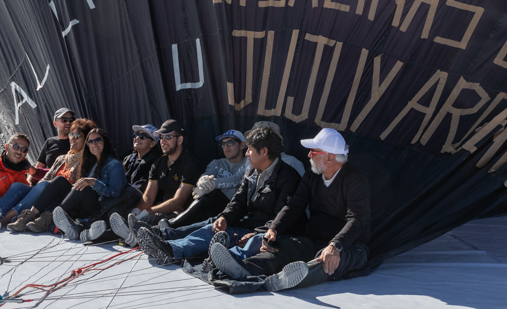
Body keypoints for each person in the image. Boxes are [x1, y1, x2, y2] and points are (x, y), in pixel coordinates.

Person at [209, 127, 371, 292]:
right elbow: (294, 205)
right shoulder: (312, 175)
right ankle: (245, 268)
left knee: (326, 262)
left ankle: (288, 280)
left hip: (350, 245)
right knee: (282, 249)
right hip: (314, 240)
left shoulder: (355, 179)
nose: (309, 155)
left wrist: (336, 245)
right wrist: (274, 229)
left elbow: (356, 219)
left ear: (329, 157)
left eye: (313, 152)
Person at [138, 125, 300, 265]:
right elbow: (238, 201)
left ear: (264, 151)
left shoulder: (288, 177)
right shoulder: (252, 172)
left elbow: (283, 216)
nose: (246, 154)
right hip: (247, 225)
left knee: (224, 234)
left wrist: (258, 234)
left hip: (266, 233)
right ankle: (170, 247)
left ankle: (174, 248)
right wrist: (225, 217)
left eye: (249, 150)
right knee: (213, 227)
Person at [0, 107, 76, 229]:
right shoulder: (50, 142)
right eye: (64, 120)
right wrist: (29, 182)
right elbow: (39, 168)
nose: (68, 122)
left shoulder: (75, 145)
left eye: (71, 120)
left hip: (55, 189)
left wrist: (36, 174)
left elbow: (61, 172)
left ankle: (5, 219)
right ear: (55, 123)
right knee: (17, 186)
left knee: (44, 185)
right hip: (44, 183)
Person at [109, 119, 203, 243]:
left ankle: (133, 237)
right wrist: (136, 212)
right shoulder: (158, 163)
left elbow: (178, 202)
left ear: (180, 140)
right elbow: (148, 197)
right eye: (161, 137)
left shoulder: (190, 163)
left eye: (168, 137)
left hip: (182, 216)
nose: (163, 141)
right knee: (132, 219)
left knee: (149, 221)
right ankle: (128, 235)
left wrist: (147, 212)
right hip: (164, 212)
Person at [7, 118, 97, 233]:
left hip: (73, 203)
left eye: (77, 136)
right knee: (18, 186)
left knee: (59, 181)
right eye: (71, 135)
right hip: (51, 196)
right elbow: (46, 179)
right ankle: (11, 215)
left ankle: (41, 219)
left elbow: (83, 189)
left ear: (86, 140)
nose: (72, 139)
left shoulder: (90, 161)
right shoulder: (61, 159)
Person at [160, 129, 249, 230]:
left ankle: (172, 224)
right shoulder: (216, 163)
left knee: (213, 193)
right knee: (203, 194)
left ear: (242, 145)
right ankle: (168, 229)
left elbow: (239, 179)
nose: (226, 147)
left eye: (230, 142)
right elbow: (204, 176)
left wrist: (214, 184)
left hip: (233, 209)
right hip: (211, 208)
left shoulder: (249, 161)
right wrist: (202, 182)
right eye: (223, 144)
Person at [51, 127, 127, 240]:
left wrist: (93, 182)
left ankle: (57, 220)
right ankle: (47, 217)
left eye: (98, 140)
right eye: (90, 141)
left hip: (99, 209)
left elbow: (115, 193)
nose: (94, 144)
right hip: (84, 205)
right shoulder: (91, 163)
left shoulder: (114, 165)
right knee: (60, 181)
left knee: (86, 188)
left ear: (105, 142)